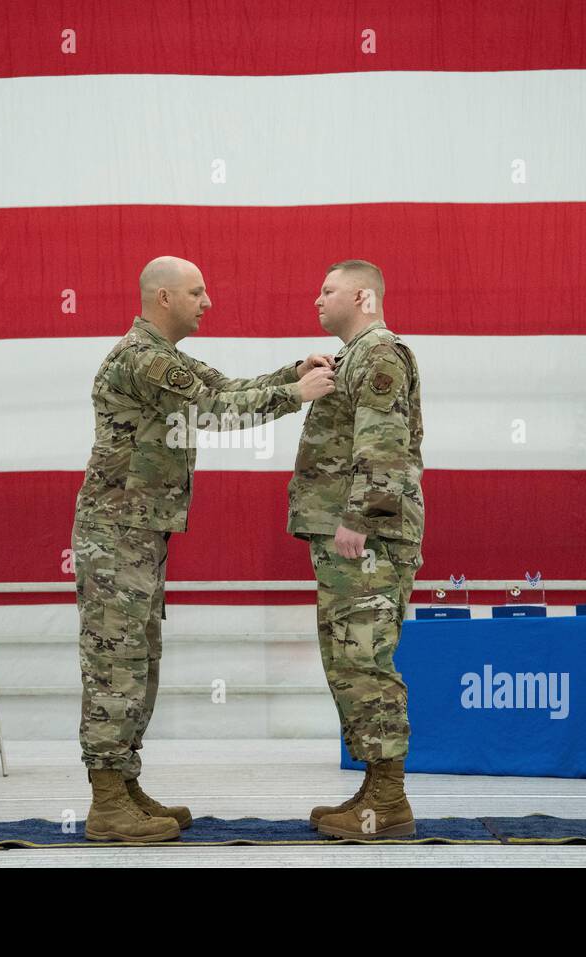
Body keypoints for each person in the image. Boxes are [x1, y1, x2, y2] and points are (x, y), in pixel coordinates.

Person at [74, 255, 336, 842]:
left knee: (139, 660)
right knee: (115, 664)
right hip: (117, 533)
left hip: (138, 533)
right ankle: (105, 802)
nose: (208, 302)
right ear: (164, 297)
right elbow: (211, 411)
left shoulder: (165, 356)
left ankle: (124, 785)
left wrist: (292, 371)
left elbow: (223, 387)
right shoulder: (142, 358)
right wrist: (296, 394)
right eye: (197, 292)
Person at [287, 261, 425, 839]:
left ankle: (388, 802)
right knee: (347, 661)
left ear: (363, 296)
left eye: (329, 290)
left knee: (365, 660)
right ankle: (373, 789)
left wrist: (359, 518)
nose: (317, 299)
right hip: (347, 534)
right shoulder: (350, 357)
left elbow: (384, 442)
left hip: (366, 536)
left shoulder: (379, 353)